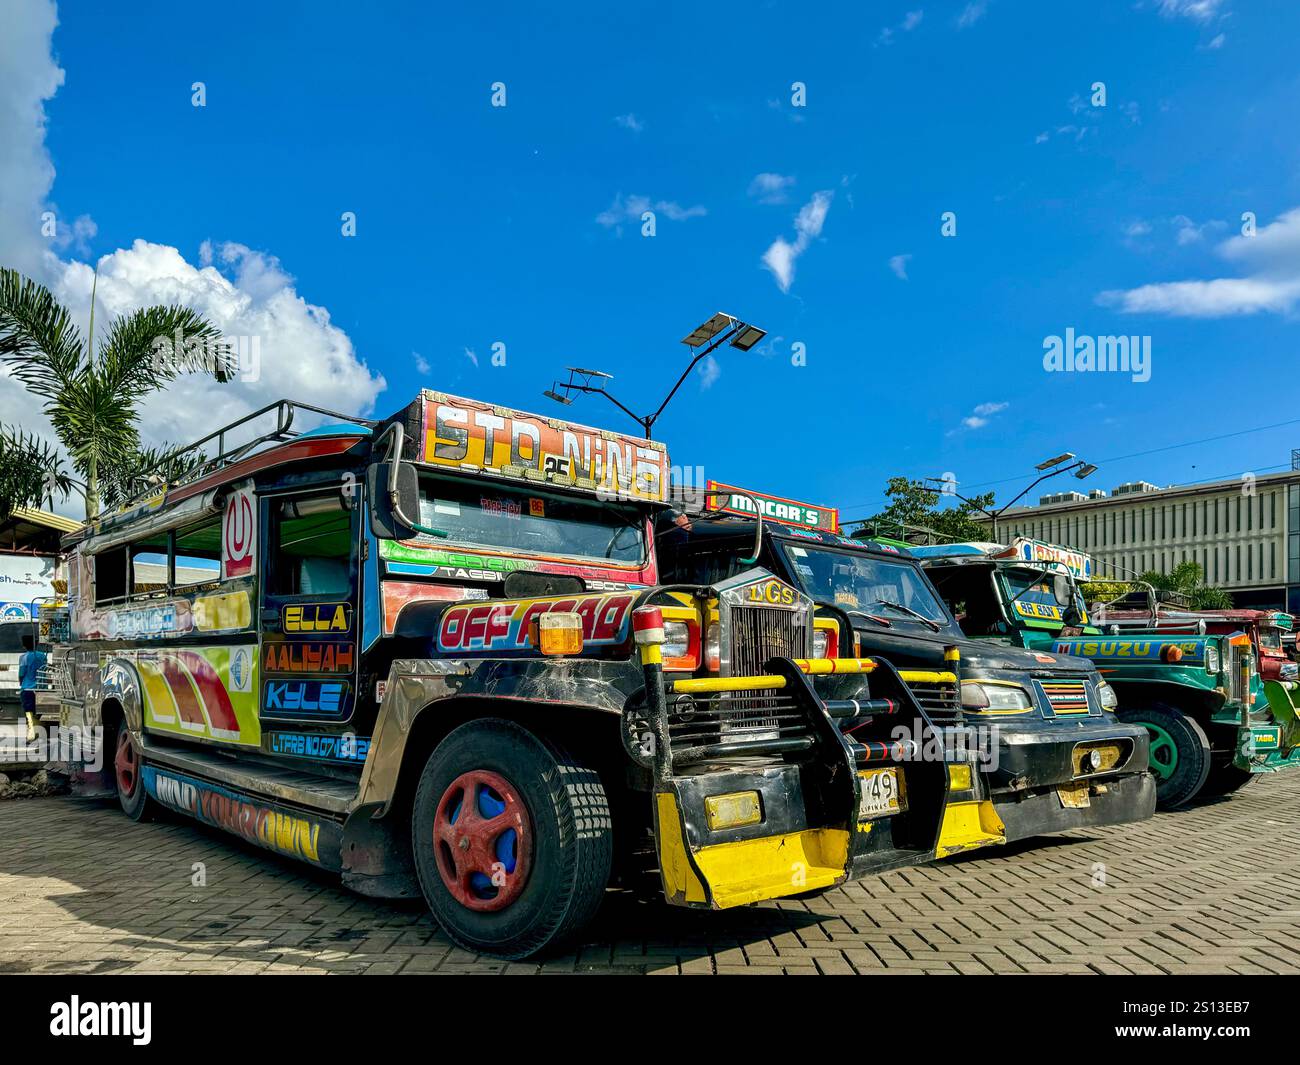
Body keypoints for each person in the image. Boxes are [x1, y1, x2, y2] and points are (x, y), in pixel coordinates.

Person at [18, 634, 46, 743]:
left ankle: (31, 734)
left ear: (24, 645)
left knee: (29, 712)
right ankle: (41, 731)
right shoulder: (42, 655)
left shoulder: (23, 657)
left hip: (27, 689)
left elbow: (21, 673)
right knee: (39, 712)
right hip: (41, 689)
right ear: (36, 644)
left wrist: (21, 683)